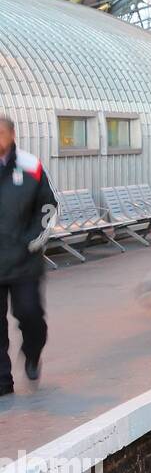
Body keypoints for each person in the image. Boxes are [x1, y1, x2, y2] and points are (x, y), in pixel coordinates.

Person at [0, 115, 55, 396]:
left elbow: (48, 207)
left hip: (25, 262)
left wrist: (32, 241)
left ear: (11, 135)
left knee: (30, 316)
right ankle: (3, 382)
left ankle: (32, 354)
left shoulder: (30, 166)